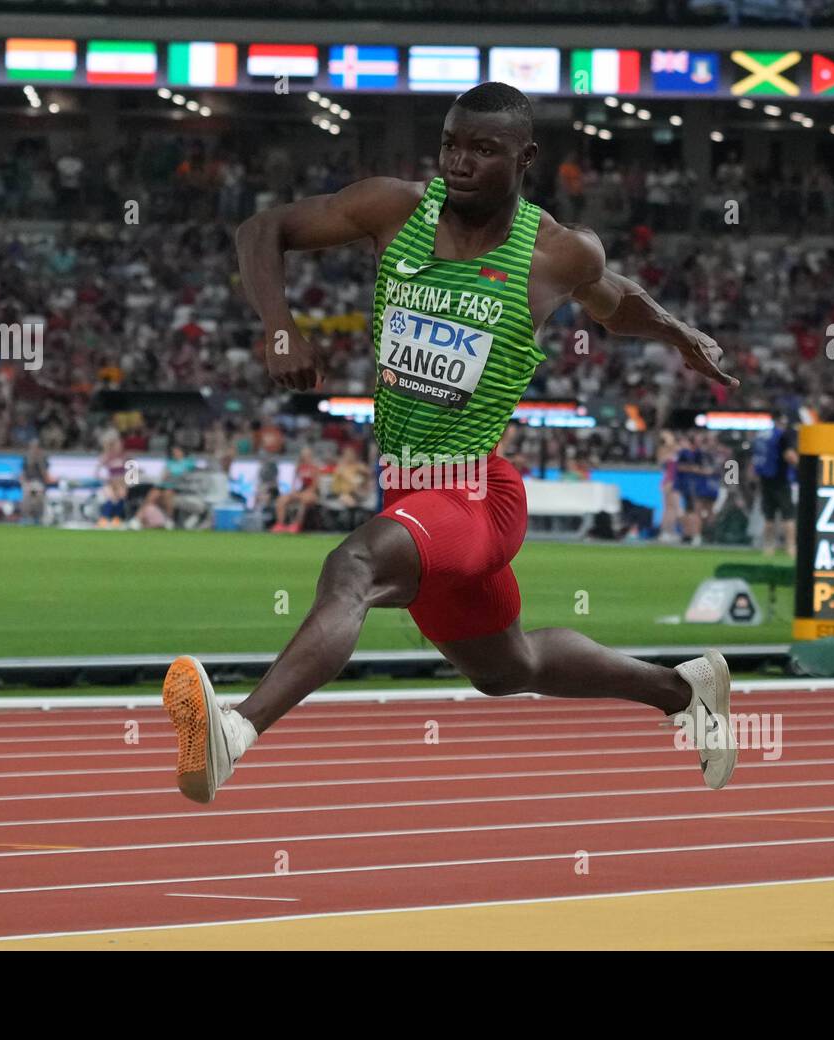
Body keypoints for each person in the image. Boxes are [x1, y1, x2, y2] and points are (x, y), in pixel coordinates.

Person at [161, 82, 740, 805]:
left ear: (525, 158)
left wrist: (679, 334)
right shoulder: (395, 208)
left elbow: (615, 299)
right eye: (451, 144)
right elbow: (261, 229)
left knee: (355, 565)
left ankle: (234, 733)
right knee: (507, 668)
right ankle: (684, 693)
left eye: (484, 150)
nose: (460, 163)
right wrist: (280, 325)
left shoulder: (556, 252)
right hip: (407, 490)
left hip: (474, 495)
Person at [752, 412, 799, 558]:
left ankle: (768, 548)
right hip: (781, 479)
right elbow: (789, 456)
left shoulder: (762, 435)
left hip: (765, 480)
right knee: (788, 515)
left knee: (769, 517)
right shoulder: (784, 435)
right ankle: (790, 547)